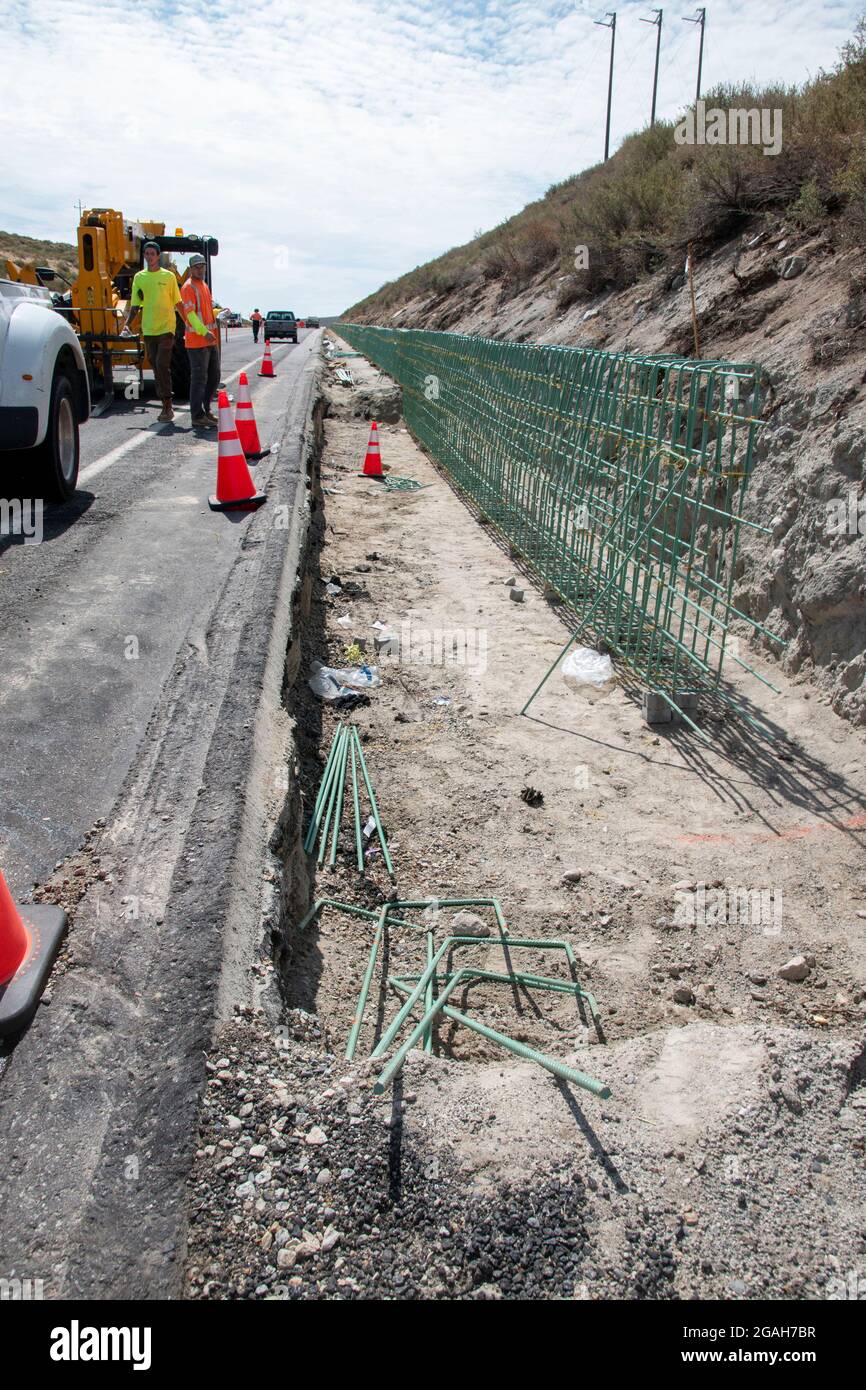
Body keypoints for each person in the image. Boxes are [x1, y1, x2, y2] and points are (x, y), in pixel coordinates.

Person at [121, 240, 197, 424]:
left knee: (162, 364)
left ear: (158, 256)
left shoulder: (169, 277)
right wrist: (127, 324)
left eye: (152, 254)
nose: (149, 257)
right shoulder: (139, 277)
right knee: (155, 365)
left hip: (166, 328)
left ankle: (167, 405)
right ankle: (165, 401)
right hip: (148, 329)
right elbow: (135, 305)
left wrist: (188, 323)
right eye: (146, 254)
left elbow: (178, 303)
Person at [180, 253, 220, 428]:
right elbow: (190, 315)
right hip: (197, 342)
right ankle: (197, 416)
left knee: (214, 377)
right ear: (191, 269)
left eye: (202, 266)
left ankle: (206, 410)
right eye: (196, 266)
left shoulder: (203, 285)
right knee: (199, 379)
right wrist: (204, 332)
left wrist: (219, 313)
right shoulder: (188, 287)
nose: (200, 269)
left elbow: (206, 311)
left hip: (210, 341)